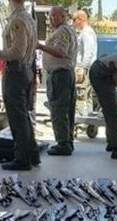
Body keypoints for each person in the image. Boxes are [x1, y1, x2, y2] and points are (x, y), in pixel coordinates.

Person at [0, 0, 39, 171]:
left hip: (16, 71)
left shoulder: (18, 21)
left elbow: (18, 51)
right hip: (24, 70)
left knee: (17, 118)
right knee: (23, 116)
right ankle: (32, 154)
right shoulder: (28, 18)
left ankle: (22, 158)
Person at [38, 6, 77, 156]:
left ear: (63, 17)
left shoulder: (62, 32)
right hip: (65, 74)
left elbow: (61, 52)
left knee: (59, 109)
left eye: (55, 16)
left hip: (60, 75)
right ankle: (68, 141)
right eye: (50, 17)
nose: (51, 19)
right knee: (67, 110)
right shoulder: (68, 31)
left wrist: (40, 46)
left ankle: (63, 143)